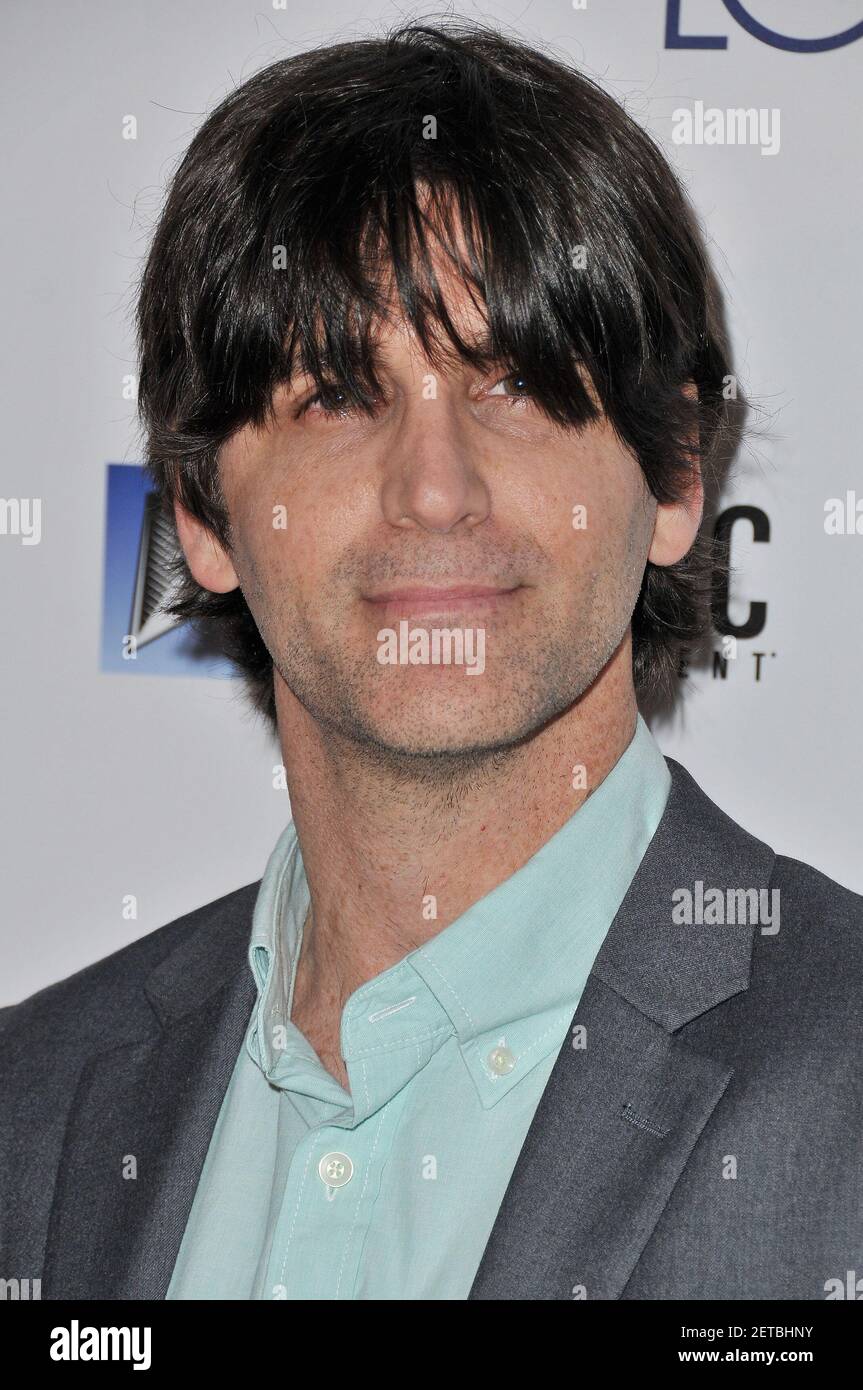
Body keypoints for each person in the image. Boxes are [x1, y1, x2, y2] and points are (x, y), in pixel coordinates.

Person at [2, 18, 860, 1302]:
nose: (434, 490)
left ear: (675, 471)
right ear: (198, 511)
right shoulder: (35, 1105)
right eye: (338, 394)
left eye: (513, 384)